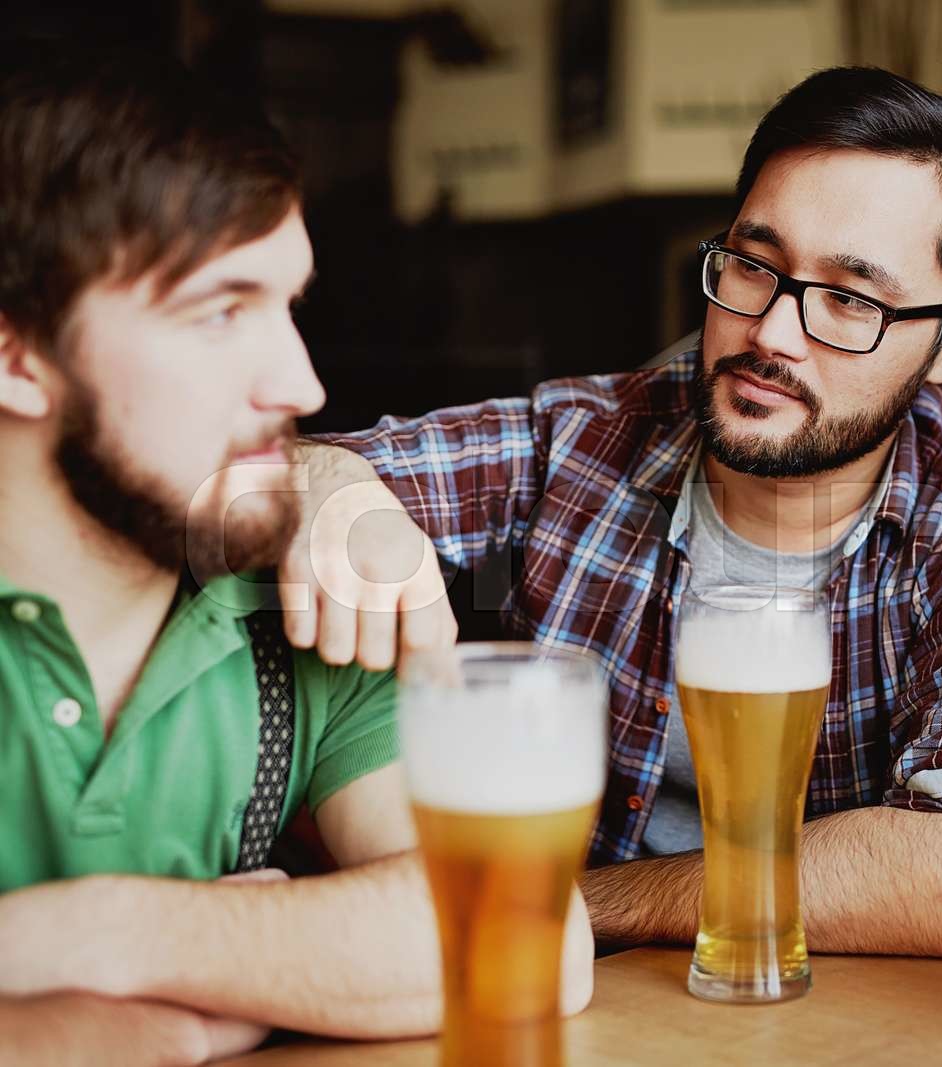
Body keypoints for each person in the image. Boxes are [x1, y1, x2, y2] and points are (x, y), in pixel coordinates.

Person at [294, 67, 942, 957]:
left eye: (849, 300)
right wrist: (345, 492)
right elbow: (257, 482)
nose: (772, 335)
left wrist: (554, 906)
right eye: (753, 265)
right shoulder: (597, 435)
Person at [0, 47, 590, 1065]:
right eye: (222, 310)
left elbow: (526, 941)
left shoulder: (310, 609)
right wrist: (191, 1008)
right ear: (17, 353)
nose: (303, 381)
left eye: (288, 307)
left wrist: (95, 935)